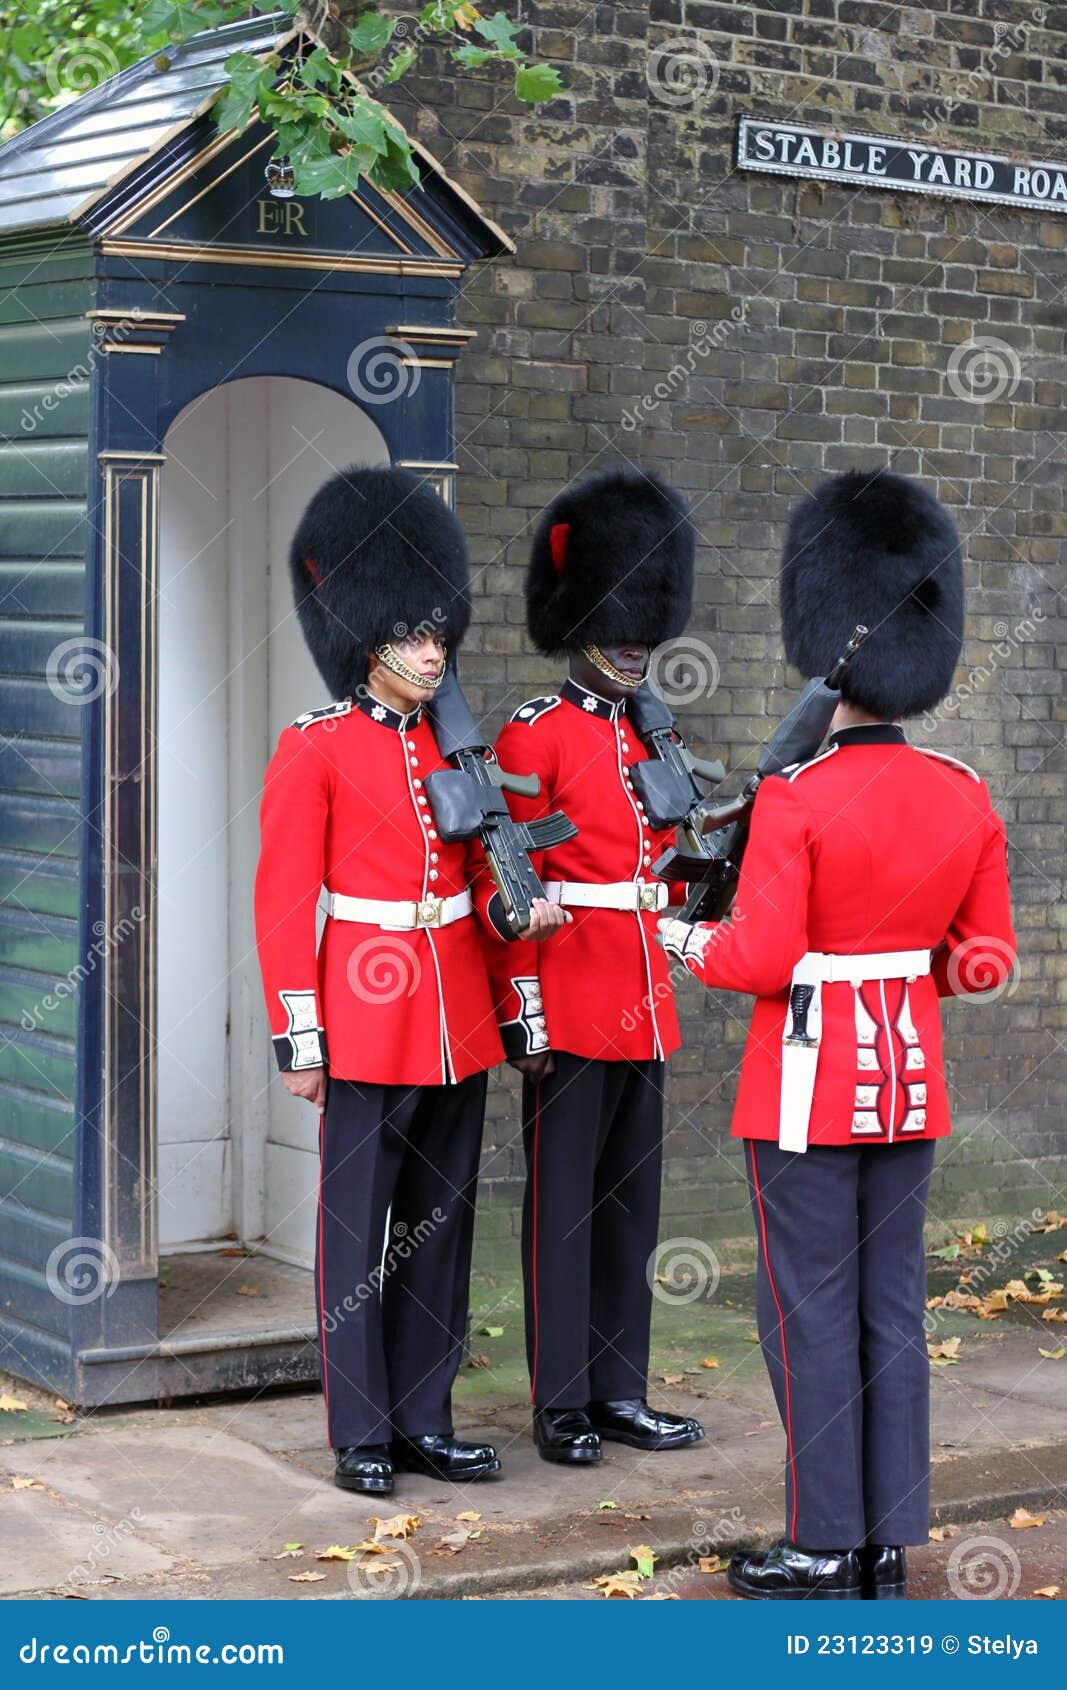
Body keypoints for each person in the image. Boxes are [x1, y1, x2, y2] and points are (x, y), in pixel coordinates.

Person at [659, 469, 1016, 1600]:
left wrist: (675, 939)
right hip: (906, 1086)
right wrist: (898, 968)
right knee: (889, 1312)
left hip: (806, 1087)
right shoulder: (962, 793)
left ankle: (820, 1541)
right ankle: (882, 1543)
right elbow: (983, 959)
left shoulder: (799, 799)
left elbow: (756, 959)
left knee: (807, 1315)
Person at [254, 464, 565, 1497]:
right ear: (366, 635)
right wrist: (301, 1038)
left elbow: (481, 883)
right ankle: (360, 1429)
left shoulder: (458, 747)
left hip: (456, 1019)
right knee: (357, 1233)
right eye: (413, 636)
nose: (433, 652)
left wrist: (513, 923)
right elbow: (281, 901)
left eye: (439, 635)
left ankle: (425, 1415)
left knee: (439, 1225)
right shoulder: (316, 748)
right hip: (363, 1014)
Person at [479, 465, 706, 1465]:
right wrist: (520, 1007)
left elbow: (658, 868)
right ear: (579, 622)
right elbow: (509, 878)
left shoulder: (651, 731)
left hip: (642, 996)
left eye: (640, 628)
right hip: (568, 997)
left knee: (628, 1209)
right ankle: (559, 1402)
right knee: (560, 1211)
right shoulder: (535, 732)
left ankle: (620, 1389)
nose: (629, 643)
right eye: (615, 623)